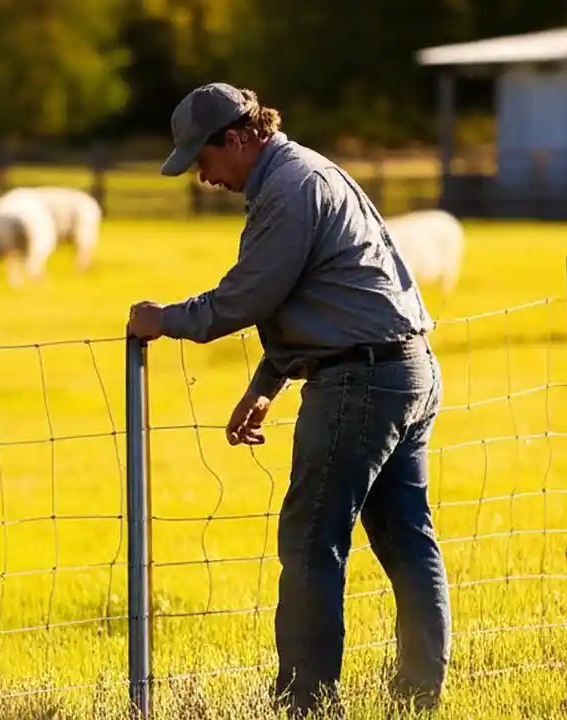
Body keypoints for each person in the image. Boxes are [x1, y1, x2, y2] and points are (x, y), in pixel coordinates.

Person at [126, 82, 451, 716]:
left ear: (240, 137)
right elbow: (315, 294)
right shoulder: (307, 173)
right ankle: (420, 693)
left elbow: (250, 295)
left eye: (205, 158)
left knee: (310, 540)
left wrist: (164, 319)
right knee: (407, 538)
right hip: (402, 368)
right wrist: (267, 384)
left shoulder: (289, 187)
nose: (204, 176)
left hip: (359, 383)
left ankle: (306, 701)